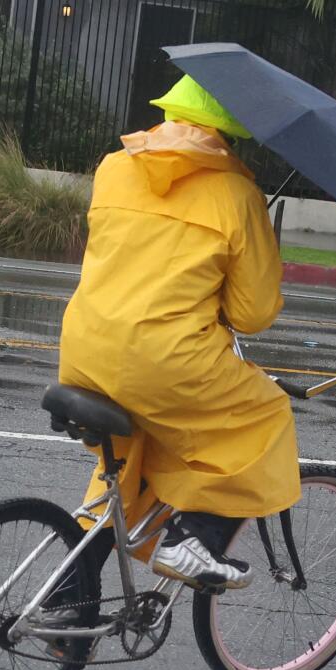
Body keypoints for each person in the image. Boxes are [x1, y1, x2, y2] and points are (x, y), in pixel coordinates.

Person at [56, 75, 298, 591]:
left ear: (170, 115)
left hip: (86, 348)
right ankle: (196, 538)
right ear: (228, 133)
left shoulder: (115, 167)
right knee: (265, 415)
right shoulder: (238, 194)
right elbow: (252, 314)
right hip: (165, 361)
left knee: (127, 462)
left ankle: (67, 596)